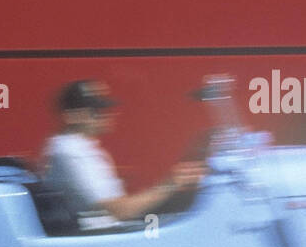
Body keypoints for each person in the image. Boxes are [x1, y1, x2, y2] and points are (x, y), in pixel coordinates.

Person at [42, 79, 204, 226]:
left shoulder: (78, 147)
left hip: (114, 232)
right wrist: (171, 184)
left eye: (105, 108)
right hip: (106, 238)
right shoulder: (70, 152)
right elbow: (119, 211)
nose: (106, 114)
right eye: (96, 110)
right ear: (72, 117)